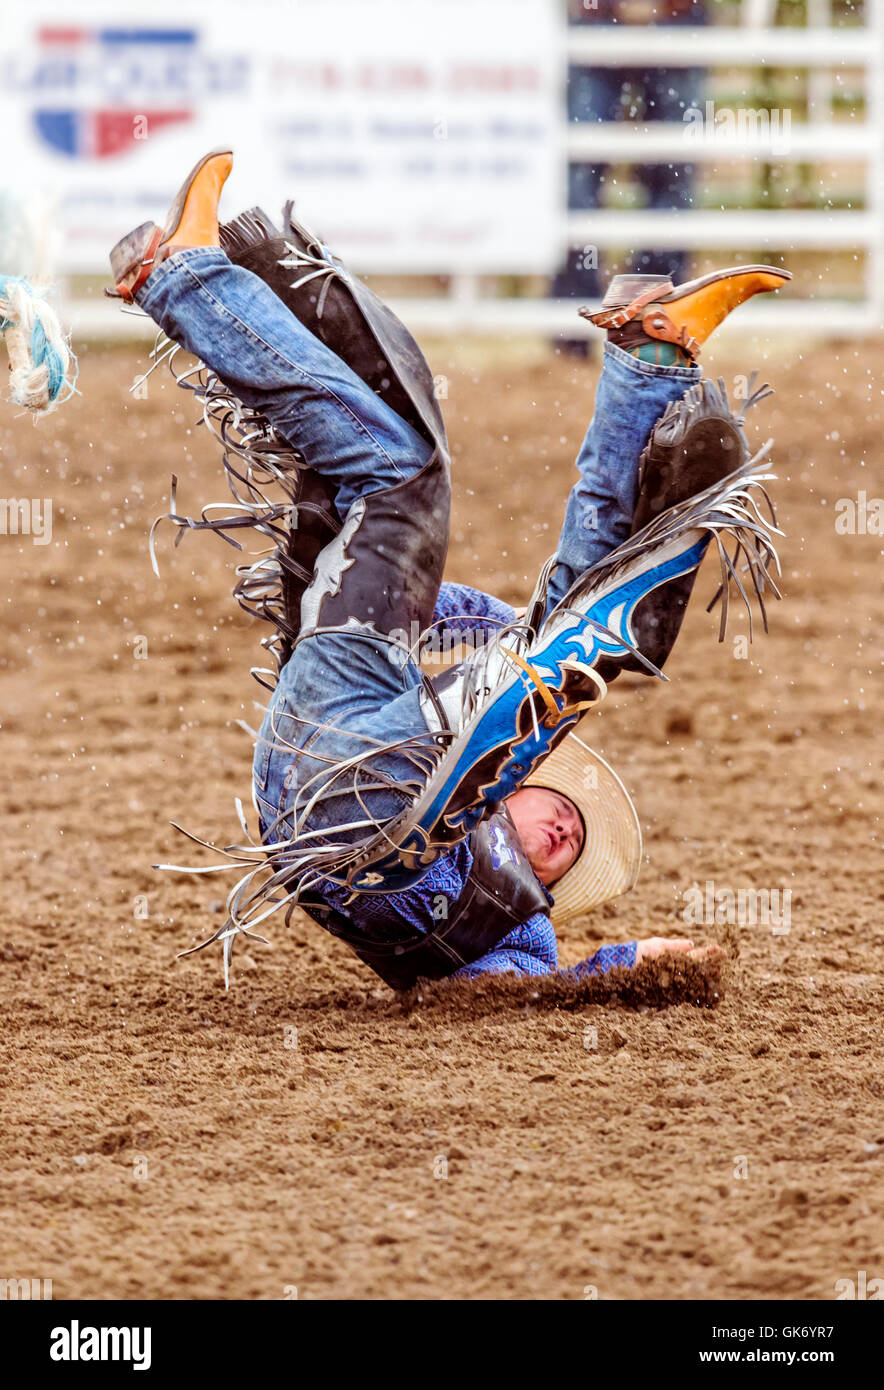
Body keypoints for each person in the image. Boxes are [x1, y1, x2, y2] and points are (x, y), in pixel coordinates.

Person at [108, 149, 788, 989]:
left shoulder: (520, 932)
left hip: (347, 791)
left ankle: (184, 280)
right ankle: (649, 357)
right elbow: (469, 626)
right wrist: (501, 624)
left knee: (569, 643)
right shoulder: (476, 735)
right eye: (568, 815)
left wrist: (630, 965)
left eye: (565, 849)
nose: (564, 836)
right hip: (344, 726)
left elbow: (523, 990)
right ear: (520, 790)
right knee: (401, 462)